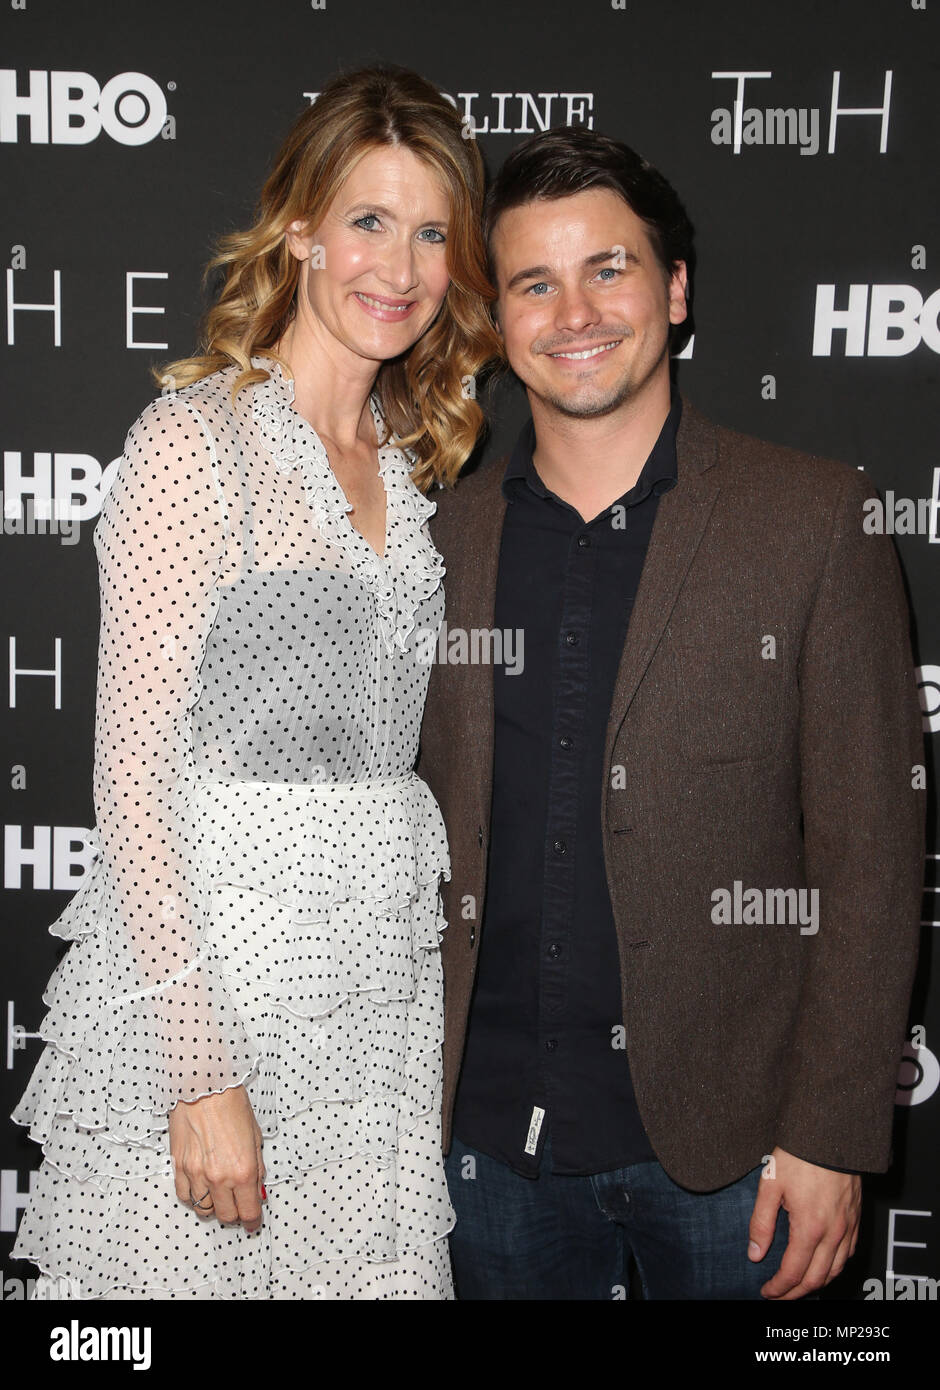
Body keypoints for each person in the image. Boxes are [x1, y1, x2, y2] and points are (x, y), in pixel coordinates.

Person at [10, 62, 500, 1300]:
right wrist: (198, 1071)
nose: (399, 266)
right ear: (301, 233)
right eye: (368, 221)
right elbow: (129, 778)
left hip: (373, 1006)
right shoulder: (197, 445)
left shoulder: (407, 459)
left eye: (433, 231)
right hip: (221, 995)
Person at [416, 125, 925, 1301]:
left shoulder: (813, 519)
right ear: (498, 323)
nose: (575, 310)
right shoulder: (441, 542)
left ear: (675, 288)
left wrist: (835, 1131)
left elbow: (870, 850)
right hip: (480, 1147)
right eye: (534, 282)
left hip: (737, 1155)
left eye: (610, 267)